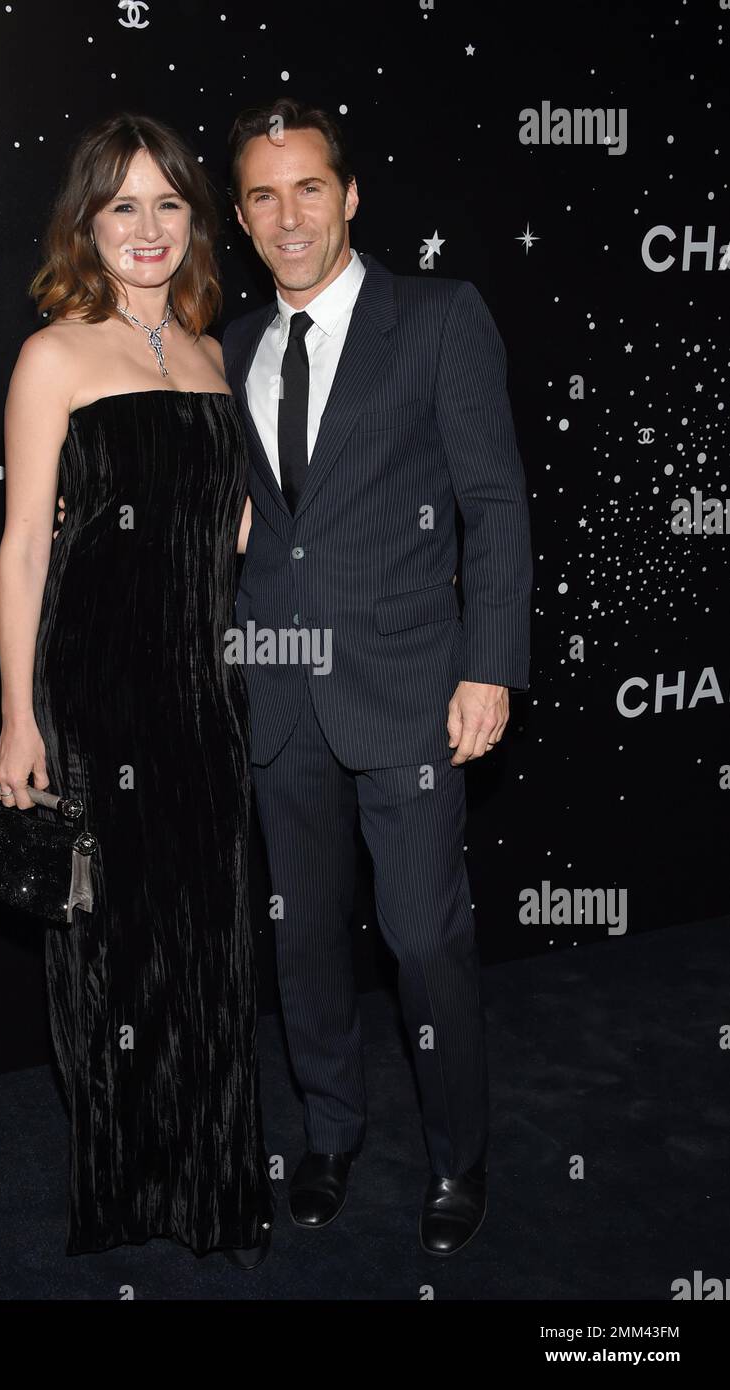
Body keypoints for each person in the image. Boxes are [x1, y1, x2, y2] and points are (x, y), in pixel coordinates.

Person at [220, 98, 533, 1255]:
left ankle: (458, 1156)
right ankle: (331, 1130)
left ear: (348, 197)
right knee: (299, 938)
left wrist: (489, 665)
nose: (287, 214)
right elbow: (254, 519)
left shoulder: (439, 318)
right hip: (275, 688)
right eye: (262, 194)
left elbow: (493, 503)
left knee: (420, 937)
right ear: (241, 215)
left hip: (408, 681)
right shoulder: (233, 344)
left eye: (308, 188)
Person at [0, 110, 274, 1269]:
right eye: (122, 207)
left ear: (194, 221)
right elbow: (19, 551)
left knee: (204, 943)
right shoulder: (54, 353)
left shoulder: (210, 352)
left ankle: (205, 1180)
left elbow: (233, 523)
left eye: (167, 204)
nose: (147, 229)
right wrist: (18, 718)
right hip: (96, 694)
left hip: (200, 696)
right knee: (113, 949)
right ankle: (127, 1179)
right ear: (87, 225)